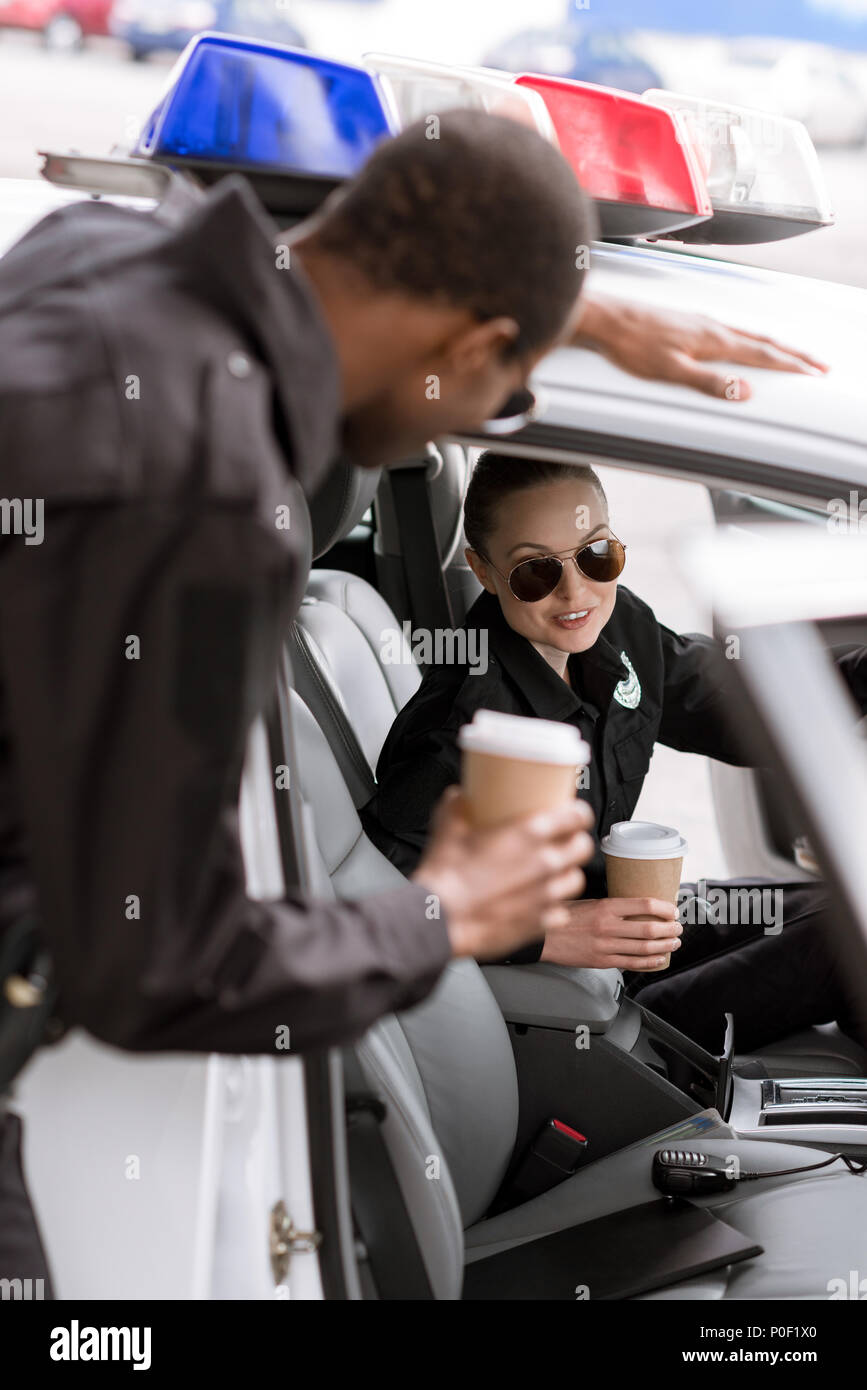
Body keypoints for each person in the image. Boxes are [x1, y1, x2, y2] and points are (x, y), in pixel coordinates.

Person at [0, 109, 831, 1291]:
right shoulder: (198, 504)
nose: (462, 425)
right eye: (493, 388)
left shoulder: (106, 257)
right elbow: (152, 960)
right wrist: (448, 911)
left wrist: (561, 310)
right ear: (472, 335)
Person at [364, 451, 867, 1054]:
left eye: (597, 554)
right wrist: (546, 931)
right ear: (485, 570)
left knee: (840, 909)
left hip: (623, 932)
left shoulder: (617, 626)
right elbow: (378, 902)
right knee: (844, 946)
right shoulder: (470, 725)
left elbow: (730, 705)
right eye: (534, 571)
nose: (576, 591)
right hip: (573, 1006)